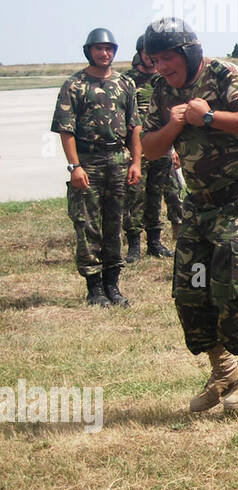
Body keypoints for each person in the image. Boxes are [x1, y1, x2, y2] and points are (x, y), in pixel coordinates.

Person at [141, 17, 238, 412]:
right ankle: (223, 369)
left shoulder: (224, 75)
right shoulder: (162, 92)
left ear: (188, 53)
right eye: (156, 60)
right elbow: (150, 149)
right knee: (191, 290)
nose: (162, 66)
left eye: (168, 58)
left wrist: (209, 117)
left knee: (234, 287)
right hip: (199, 204)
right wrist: (174, 124)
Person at [51, 28, 142, 306]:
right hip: (88, 161)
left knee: (115, 223)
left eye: (110, 49)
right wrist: (75, 166)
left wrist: (136, 162)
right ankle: (94, 288)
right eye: (99, 48)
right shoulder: (74, 85)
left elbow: (134, 126)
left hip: (118, 160)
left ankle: (113, 285)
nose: (105, 53)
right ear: (89, 50)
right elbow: (65, 130)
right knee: (88, 224)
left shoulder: (125, 84)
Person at [123, 35, 183, 261]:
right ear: (140, 54)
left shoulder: (164, 80)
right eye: (148, 54)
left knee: (157, 194)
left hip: (162, 145)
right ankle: (134, 245)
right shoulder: (127, 81)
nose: (151, 59)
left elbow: (173, 115)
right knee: (135, 197)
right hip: (136, 148)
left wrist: (174, 149)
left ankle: (155, 242)